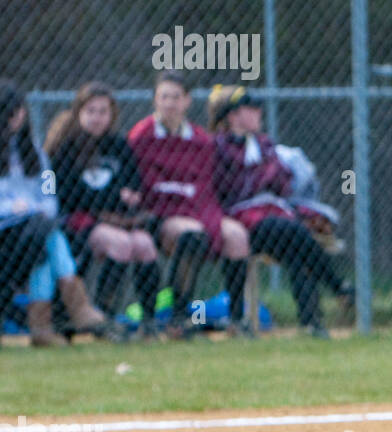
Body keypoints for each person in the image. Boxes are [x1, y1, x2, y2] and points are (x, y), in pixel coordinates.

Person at [208, 84, 351, 339]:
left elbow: (283, 185)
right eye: (250, 109)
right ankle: (338, 287)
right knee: (294, 233)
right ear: (233, 116)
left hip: (273, 218)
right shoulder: (219, 147)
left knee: (297, 250)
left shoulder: (263, 144)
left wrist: (267, 177)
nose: (258, 113)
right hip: (240, 221)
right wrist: (261, 177)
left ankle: (312, 323)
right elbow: (229, 188)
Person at [127, 71, 251, 339]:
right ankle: (178, 319)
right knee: (192, 234)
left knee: (237, 237)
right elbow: (144, 186)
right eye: (163, 97)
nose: (169, 104)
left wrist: (207, 217)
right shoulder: (141, 136)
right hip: (161, 212)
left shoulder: (199, 139)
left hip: (196, 209)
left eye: (175, 97)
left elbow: (204, 189)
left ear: (187, 102)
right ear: (155, 101)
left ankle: (237, 320)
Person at [45, 82, 162, 338]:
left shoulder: (119, 146)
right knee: (120, 244)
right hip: (78, 219)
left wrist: (131, 194)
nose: (97, 118)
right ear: (79, 113)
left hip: (116, 218)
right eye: (91, 111)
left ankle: (149, 322)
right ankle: (104, 320)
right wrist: (111, 197)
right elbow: (67, 195)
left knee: (144, 245)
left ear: (112, 116)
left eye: (103, 112)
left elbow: (133, 182)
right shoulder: (64, 148)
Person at [0, 80, 107, 346]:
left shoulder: (35, 153)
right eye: (12, 112)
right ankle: (75, 306)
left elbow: (49, 194)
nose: (19, 118)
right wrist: (11, 207)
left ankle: (42, 329)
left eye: (21, 111)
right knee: (47, 235)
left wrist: (36, 208)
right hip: (6, 230)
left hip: (34, 227)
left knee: (45, 240)